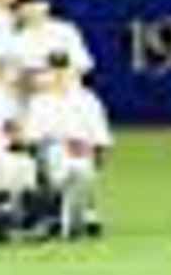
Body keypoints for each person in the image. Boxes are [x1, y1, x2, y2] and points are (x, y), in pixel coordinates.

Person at [19, 50, 113, 238]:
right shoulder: (39, 102)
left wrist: (93, 153)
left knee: (80, 168)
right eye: (53, 70)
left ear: (73, 71)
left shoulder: (88, 100)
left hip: (82, 151)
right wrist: (47, 149)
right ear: (47, 73)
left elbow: (101, 139)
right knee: (59, 162)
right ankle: (69, 213)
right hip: (52, 151)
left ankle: (81, 209)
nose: (59, 74)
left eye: (63, 69)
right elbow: (30, 139)